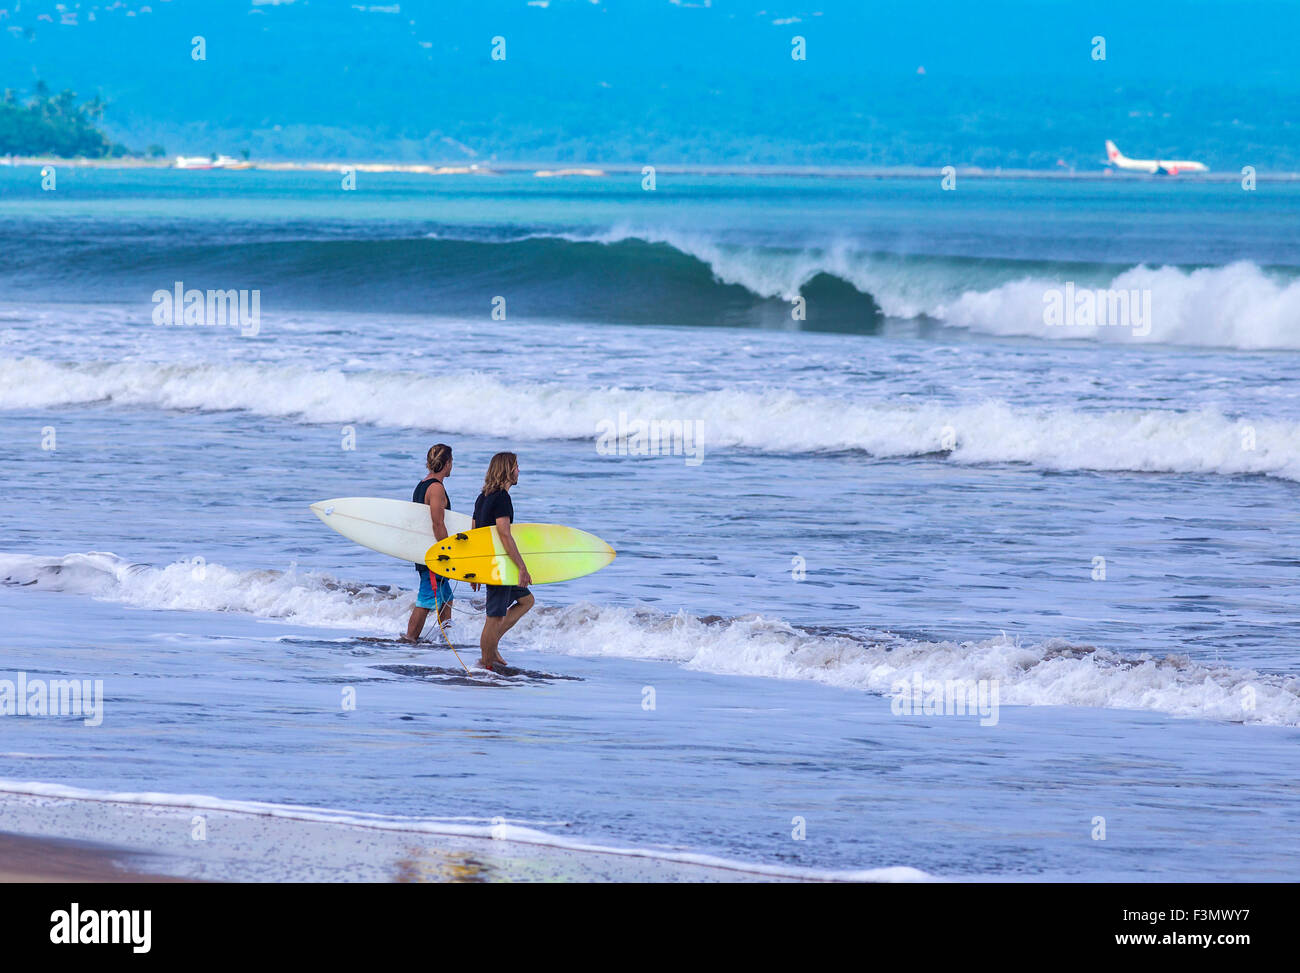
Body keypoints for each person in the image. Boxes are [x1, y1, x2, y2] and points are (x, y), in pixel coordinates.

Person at [471, 452, 533, 670]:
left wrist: (475, 568)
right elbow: (504, 534)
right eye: (516, 466)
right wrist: (522, 568)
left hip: (491, 564)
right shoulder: (502, 498)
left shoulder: (483, 497)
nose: (519, 471)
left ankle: (492, 648)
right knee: (494, 617)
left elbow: (473, 534)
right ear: (507, 470)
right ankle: (485, 664)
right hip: (499, 566)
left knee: (526, 601)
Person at [402, 444, 455, 643]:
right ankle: (409, 639)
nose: (452, 466)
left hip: (424, 549)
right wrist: (448, 550)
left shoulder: (422, 484)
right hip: (432, 553)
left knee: (446, 598)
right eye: (451, 462)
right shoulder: (436, 488)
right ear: (447, 463)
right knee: (425, 599)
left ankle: (444, 639)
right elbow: (437, 523)